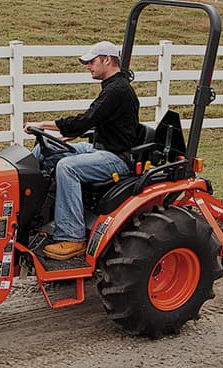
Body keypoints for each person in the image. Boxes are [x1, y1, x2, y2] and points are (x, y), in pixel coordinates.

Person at [24, 41, 139, 260]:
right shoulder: (113, 88)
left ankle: (71, 236)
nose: (88, 66)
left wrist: (43, 124)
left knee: (67, 167)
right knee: (46, 149)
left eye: (91, 61)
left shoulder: (118, 90)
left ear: (107, 60)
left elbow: (87, 119)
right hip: (99, 147)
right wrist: (75, 132)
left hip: (116, 157)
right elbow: (101, 120)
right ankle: (33, 218)